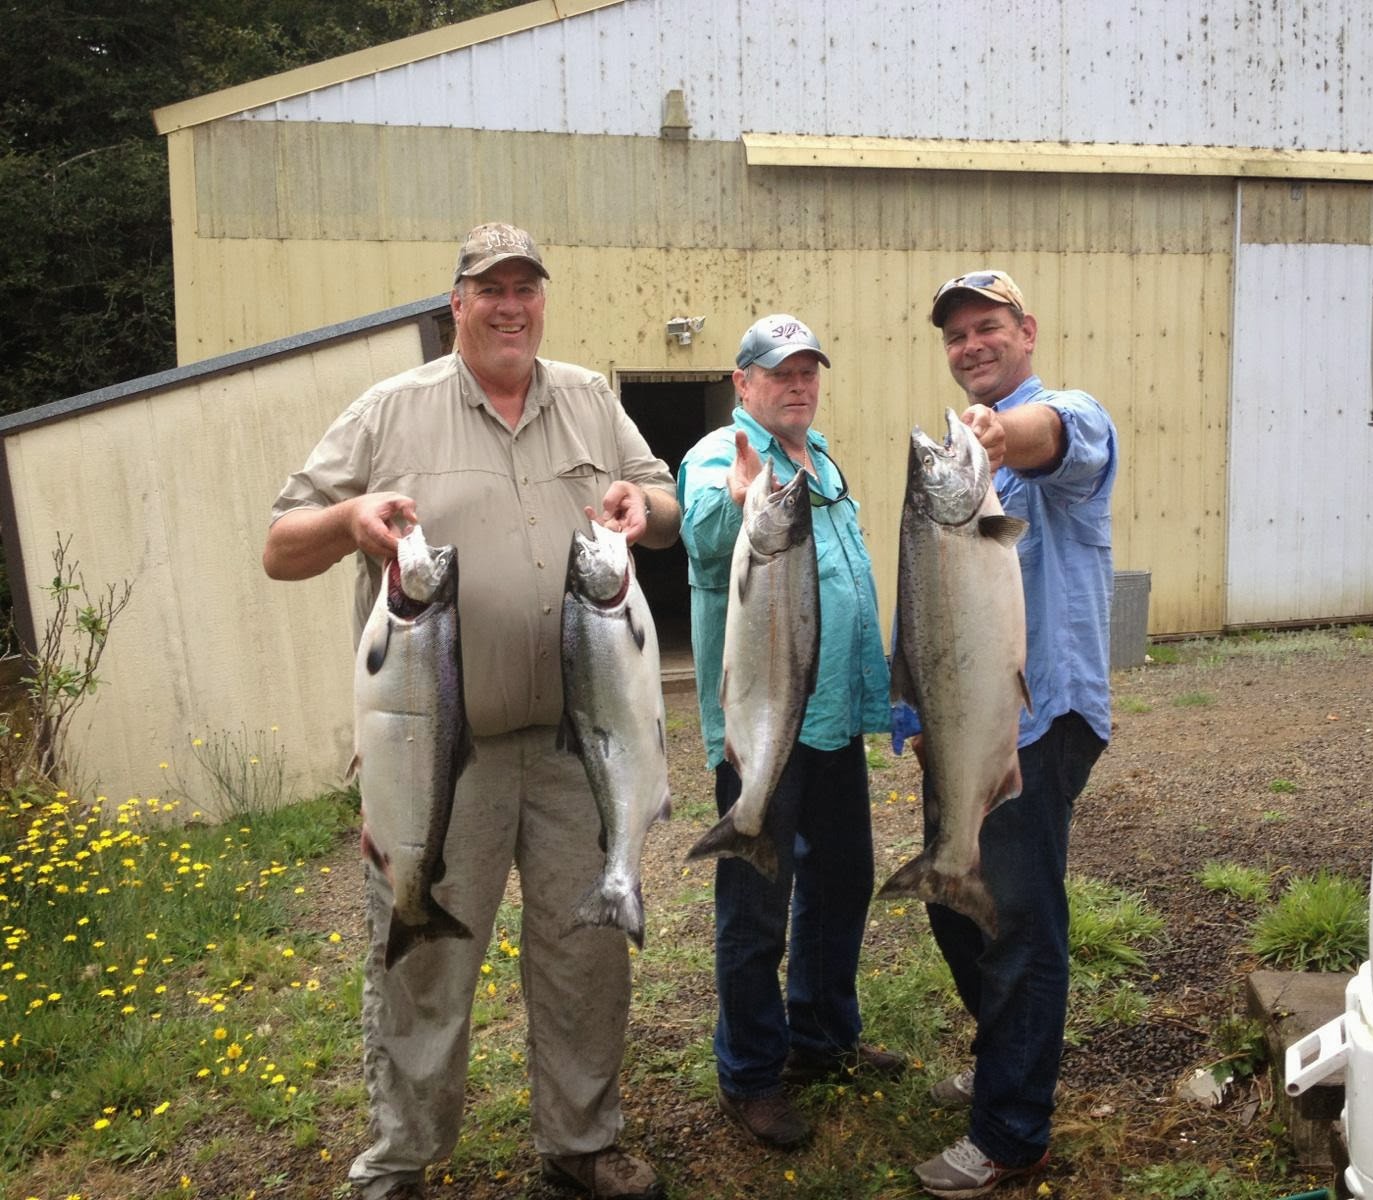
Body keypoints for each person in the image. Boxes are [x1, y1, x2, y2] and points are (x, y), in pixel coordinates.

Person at [262, 223, 680, 1200]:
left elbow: (660, 507)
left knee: (587, 955)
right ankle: (400, 1160)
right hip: (441, 756)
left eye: (525, 288)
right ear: (456, 302)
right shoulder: (388, 412)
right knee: (420, 966)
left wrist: (639, 511)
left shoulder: (588, 399)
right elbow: (282, 544)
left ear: (543, 299)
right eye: (488, 289)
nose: (509, 306)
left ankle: (580, 1145)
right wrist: (348, 521)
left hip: (583, 747)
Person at [910, 271, 1118, 1198]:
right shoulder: (956, 470)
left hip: (1042, 724)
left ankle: (1011, 1132)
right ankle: (1008, 1055)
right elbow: (930, 603)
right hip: (962, 725)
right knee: (954, 899)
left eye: (986, 328)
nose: (971, 346)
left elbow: (1059, 438)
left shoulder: (1064, 421)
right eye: (956, 337)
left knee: (1023, 923)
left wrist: (1003, 436)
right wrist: (914, 717)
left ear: (1026, 332)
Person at [676, 314, 904, 1150]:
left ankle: (819, 1036)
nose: (798, 384)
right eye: (779, 372)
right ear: (743, 383)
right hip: (762, 732)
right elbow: (700, 534)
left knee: (844, 881)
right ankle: (750, 1075)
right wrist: (736, 501)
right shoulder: (719, 455)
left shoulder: (824, 456)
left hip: (832, 716)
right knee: (755, 909)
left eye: (809, 371)